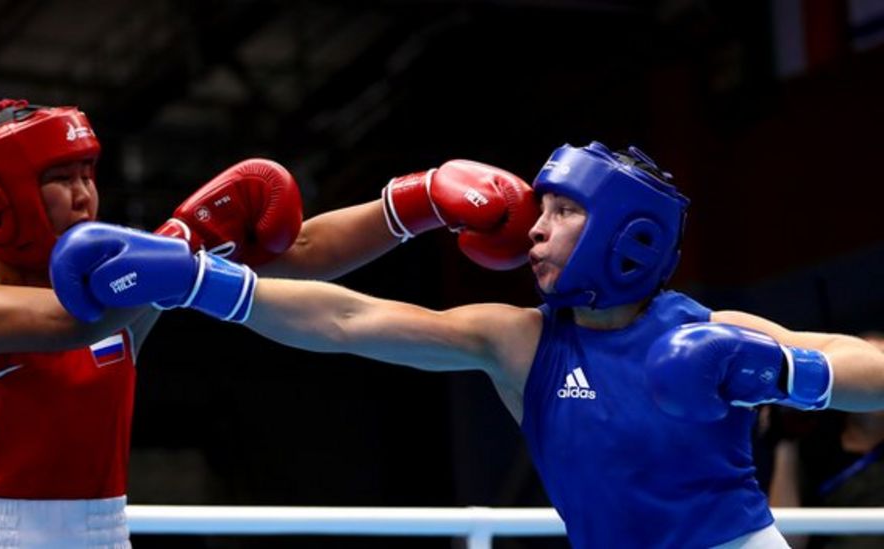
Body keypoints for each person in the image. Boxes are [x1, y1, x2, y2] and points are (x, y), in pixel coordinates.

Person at [51, 140, 884, 549]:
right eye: (540, 209)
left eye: (562, 214)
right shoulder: (518, 341)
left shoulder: (712, 335)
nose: (533, 230)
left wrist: (786, 371)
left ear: (628, 237)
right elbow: (347, 320)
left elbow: (872, 369)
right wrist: (201, 282)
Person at [0, 98, 536, 548]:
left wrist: (417, 201)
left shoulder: (126, 281)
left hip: (105, 534)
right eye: (58, 179)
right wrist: (186, 236)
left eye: (87, 175)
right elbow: (64, 324)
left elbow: (297, 258)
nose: (83, 196)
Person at [768, 332, 884, 549]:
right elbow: (787, 540)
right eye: (867, 364)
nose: (877, 375)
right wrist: (785, 440)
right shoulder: (814, 448)